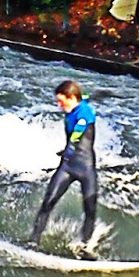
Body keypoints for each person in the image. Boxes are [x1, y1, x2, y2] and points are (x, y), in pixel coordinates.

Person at [29, 80, 99, 252]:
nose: (59, 105)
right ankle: (33, 241)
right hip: (67, 166)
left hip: (86, 167)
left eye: (61, 101)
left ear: (72, 97)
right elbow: (85, 97)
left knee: (90, 209)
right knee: (48, 202)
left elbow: (78, 130)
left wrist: (69, 147)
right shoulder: (79, 102)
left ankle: (85, 247)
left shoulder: (85, 114)